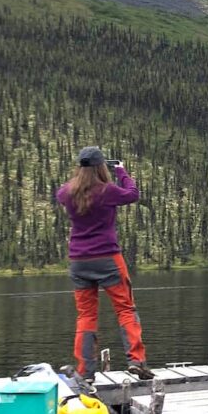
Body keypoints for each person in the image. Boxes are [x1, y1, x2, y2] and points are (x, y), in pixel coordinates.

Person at [57, 147, 150, 380]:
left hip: (79, 262)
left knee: (86, 316)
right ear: (101, 167)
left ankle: (84, 372)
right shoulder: (107, 190)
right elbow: (132, 194)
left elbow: (61, 193)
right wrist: (121, 171)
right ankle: (136, 361)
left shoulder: (67, 192)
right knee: (125, 309)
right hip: (108, 259)